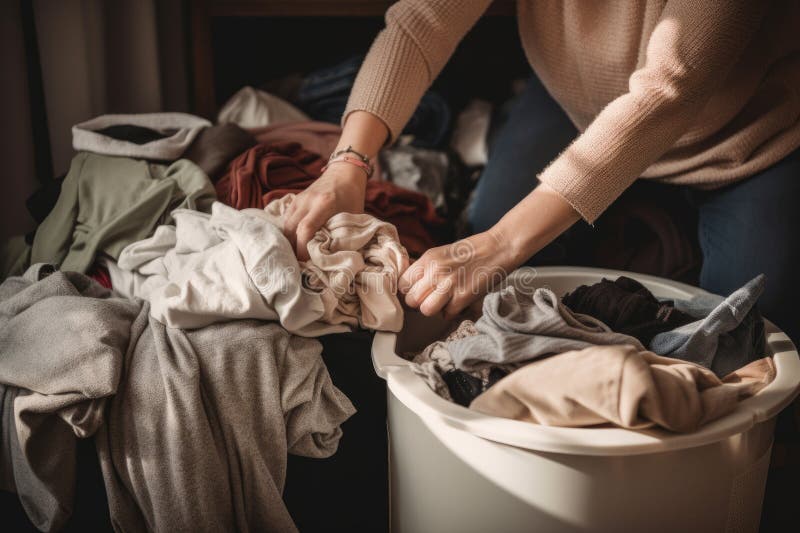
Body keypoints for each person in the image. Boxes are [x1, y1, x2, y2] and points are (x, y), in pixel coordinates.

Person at [281, 0, 800, 341]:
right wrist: (348, 164)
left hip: (745, 133)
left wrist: (500, 244)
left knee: (753, 326)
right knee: (483, 253)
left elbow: (669, 89)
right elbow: (421, 23)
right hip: (575, 106)